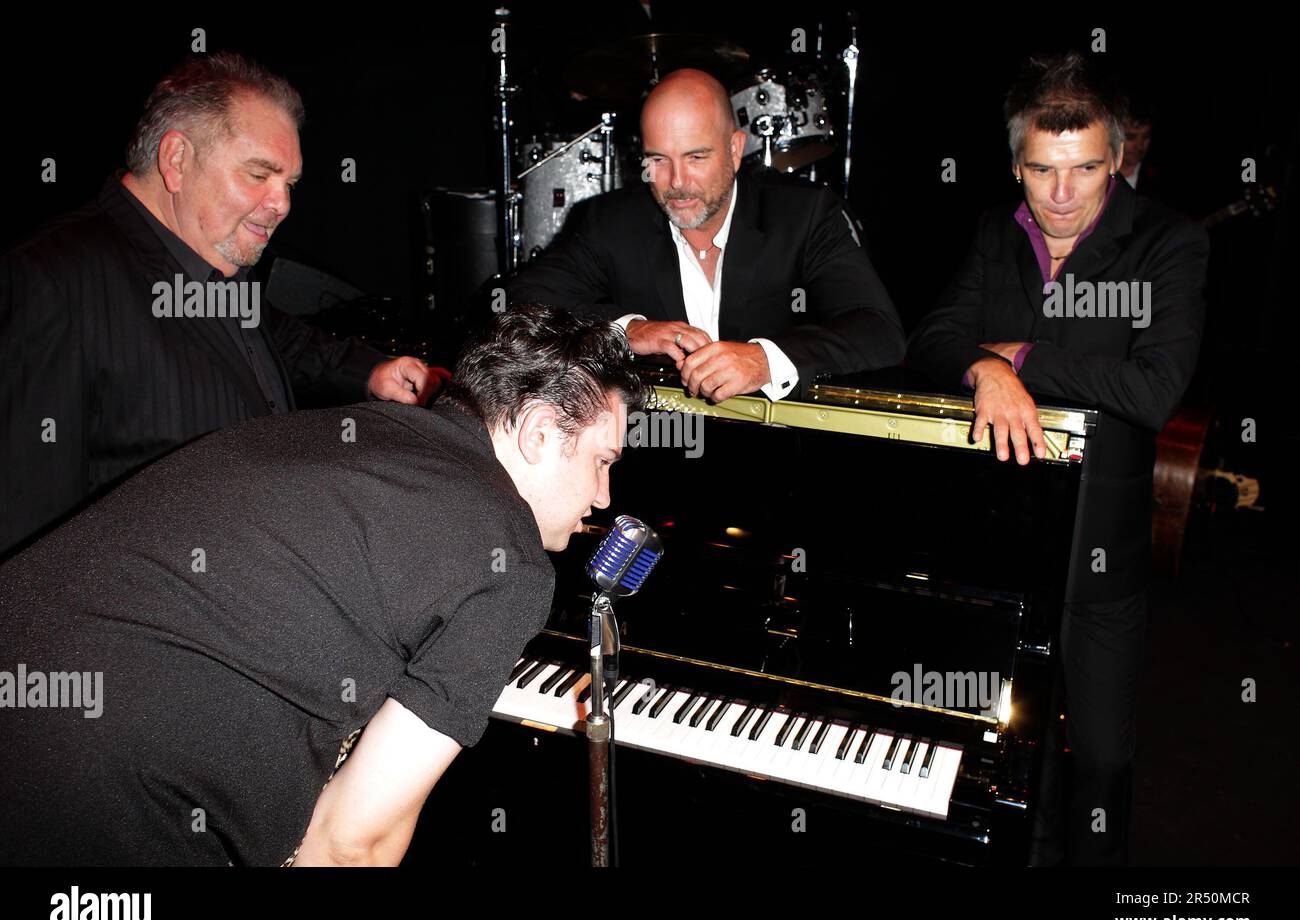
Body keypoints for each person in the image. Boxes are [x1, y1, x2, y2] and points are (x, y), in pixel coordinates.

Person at [0, 304, 645, 866]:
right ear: (536, 433)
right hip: (91, 787)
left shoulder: (352, 429)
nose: (603, 497)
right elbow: (348, 845)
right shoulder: (511, 556)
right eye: (601, 462)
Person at [905, 52, 1209, 865]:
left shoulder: (1169, 243)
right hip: (995, 547)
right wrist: (986, 368)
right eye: (1042, 172)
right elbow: (930, 339)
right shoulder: (991, 232)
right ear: (1017, 164)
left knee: (1101, 761)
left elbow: (1152, 390)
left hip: (1100, 558)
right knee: (1006, 752)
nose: (1063, 195)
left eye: (1083, 170)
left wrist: (1024, 357)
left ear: (1115, 160)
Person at [0, 52, 445, 559]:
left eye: (289, 184)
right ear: (176, 161)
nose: (283, 204)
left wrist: (371, 372)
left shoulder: (201, 256)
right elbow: (27, 543)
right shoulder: (51, 282)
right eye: (259, 175)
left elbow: (269, 333)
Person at [507, 68, 904, 404]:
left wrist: (764, 359)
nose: (677, 183)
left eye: (696, 157)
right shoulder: (612, 221)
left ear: (735, 150)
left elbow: (879, 330)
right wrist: (628, 330)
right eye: (658, 160)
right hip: (655, 454)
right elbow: (520, 300)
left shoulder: (803, 214)